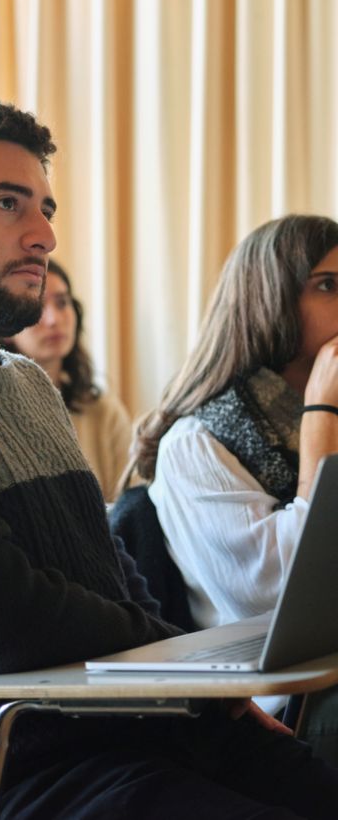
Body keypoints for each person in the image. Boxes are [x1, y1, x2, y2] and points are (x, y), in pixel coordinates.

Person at [0, 100, 338, 820]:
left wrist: (210, 699)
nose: (44, 234)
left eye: (45, 207)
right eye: (8, 203)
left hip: (130, 736)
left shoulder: (26, 387)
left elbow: (110, 578)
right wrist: (186, 668)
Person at [125, 213, 338, 760]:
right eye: (329, 285)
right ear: (269, 300)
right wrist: (320, 421)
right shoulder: (197, 444)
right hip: (291, 703)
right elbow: (278, 596)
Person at [6, 258, 131, 501]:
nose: (54, 319)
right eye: (37, 306)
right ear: (8, 325)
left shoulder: (102, 410)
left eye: (62, 303)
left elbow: (130, 504)